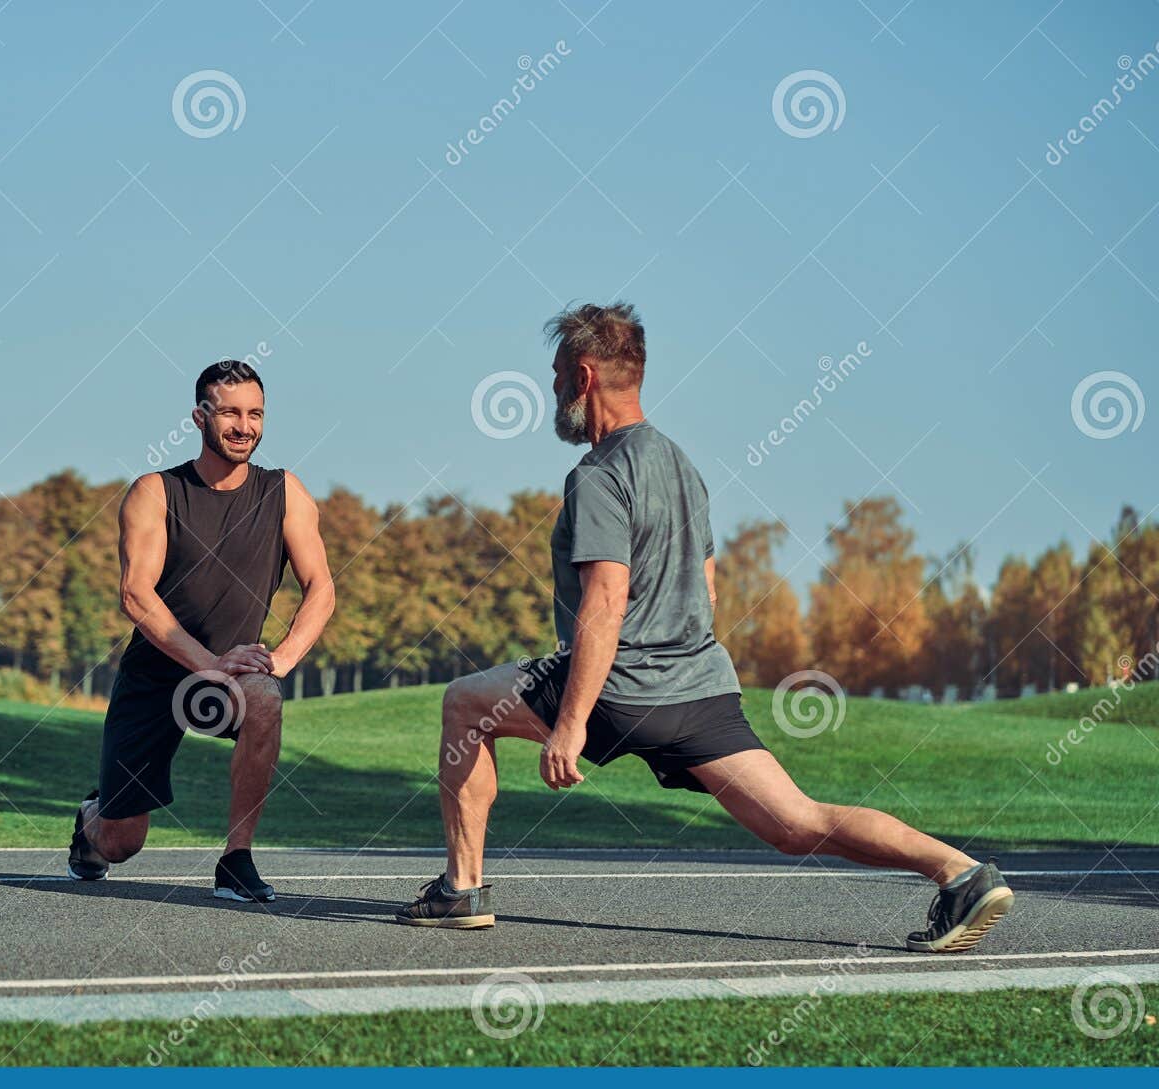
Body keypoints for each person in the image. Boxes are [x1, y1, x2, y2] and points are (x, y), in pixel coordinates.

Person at [396, 304, 1013, 952]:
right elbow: (708, 584)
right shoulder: (681, 467)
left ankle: (462, 889)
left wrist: (573, 723)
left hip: (620, 687)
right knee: (796, 822)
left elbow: (606, 599)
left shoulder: (601, 475)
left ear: (583, 376)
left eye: (555, 376)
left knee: (464, 703)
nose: (551, 391)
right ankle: (961, 874)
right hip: (699, 690)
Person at [69, 359, 335, 902]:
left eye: (255, 414)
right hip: (157, 675)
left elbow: (322, 588)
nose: (244, 426)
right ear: (199, 416)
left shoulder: (284, 492)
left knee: (264, 696)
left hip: (231, 675)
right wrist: (208, 661)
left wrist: (278, 660)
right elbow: (135, 595)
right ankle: (93, 818)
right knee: (121, 843)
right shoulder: (156, 492)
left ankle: (236, 860)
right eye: (230, 413)